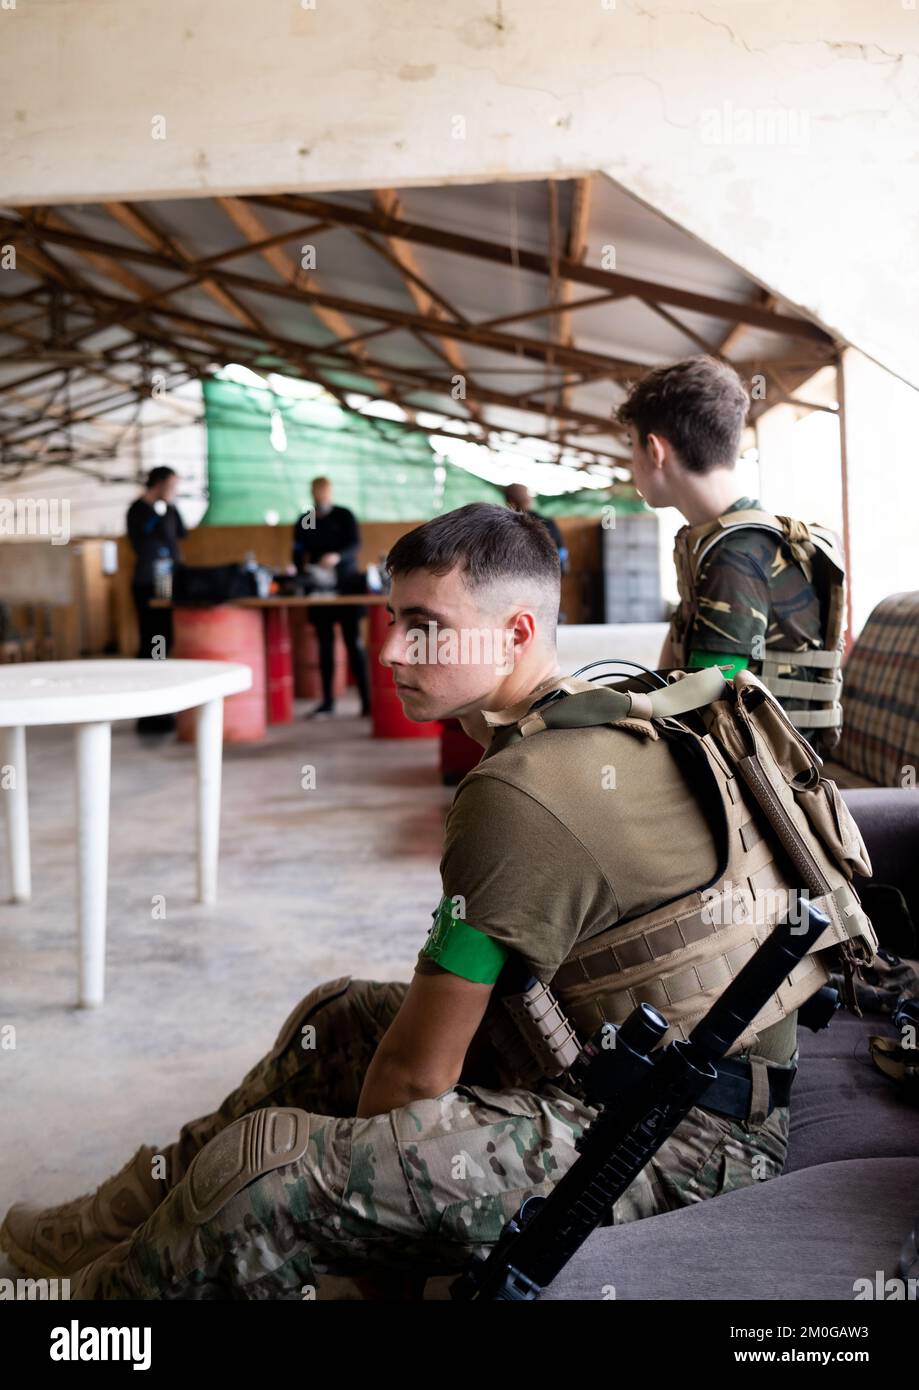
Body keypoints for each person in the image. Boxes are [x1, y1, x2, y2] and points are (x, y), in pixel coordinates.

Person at [1, 502, 854, 1299]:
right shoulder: (597, 716)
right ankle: (104, 1226)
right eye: (393, 622)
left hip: (687, 1140)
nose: (392, 655)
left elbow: (418, 1075)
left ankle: (95, 1307)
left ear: (516, 632)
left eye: (426, 628)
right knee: (334, 1018)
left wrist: (359, 1169)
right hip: (645, 1069)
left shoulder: (524, 792)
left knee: (275, 1176)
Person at [616, 356, 846, 751]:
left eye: (632, 445)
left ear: (655, 450)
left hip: (775, 784)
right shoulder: (706, 541)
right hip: (746, 757)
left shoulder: (736, 557)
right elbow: (672, 669)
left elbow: (699, 709)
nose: (631, 463)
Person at [293, 476, 370, 718]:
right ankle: (327, 702)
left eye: (324, 490)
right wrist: (302, 568)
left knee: (353, 644)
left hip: (345, 587)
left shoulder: (344, 515)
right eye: (316, 490)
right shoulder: (307, 519)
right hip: (318, 587)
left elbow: (355, 544)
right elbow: (298, 549)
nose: (320, 494)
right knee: (324, 645)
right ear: (312, 492)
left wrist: (337, 557)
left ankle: (367, 702)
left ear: (330, 491)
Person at [126, 466, 187, 735]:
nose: (174, 490)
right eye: (171, 485)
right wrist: (157, 512)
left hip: (170, 582)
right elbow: (139, 542)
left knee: (166, 640)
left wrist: (170, 506)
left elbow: (182, 533)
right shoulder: (138, 510)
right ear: (159, 483)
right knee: (151, 643)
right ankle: (147, 712)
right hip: (147, 583)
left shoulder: (169, 509)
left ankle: (164, 707)